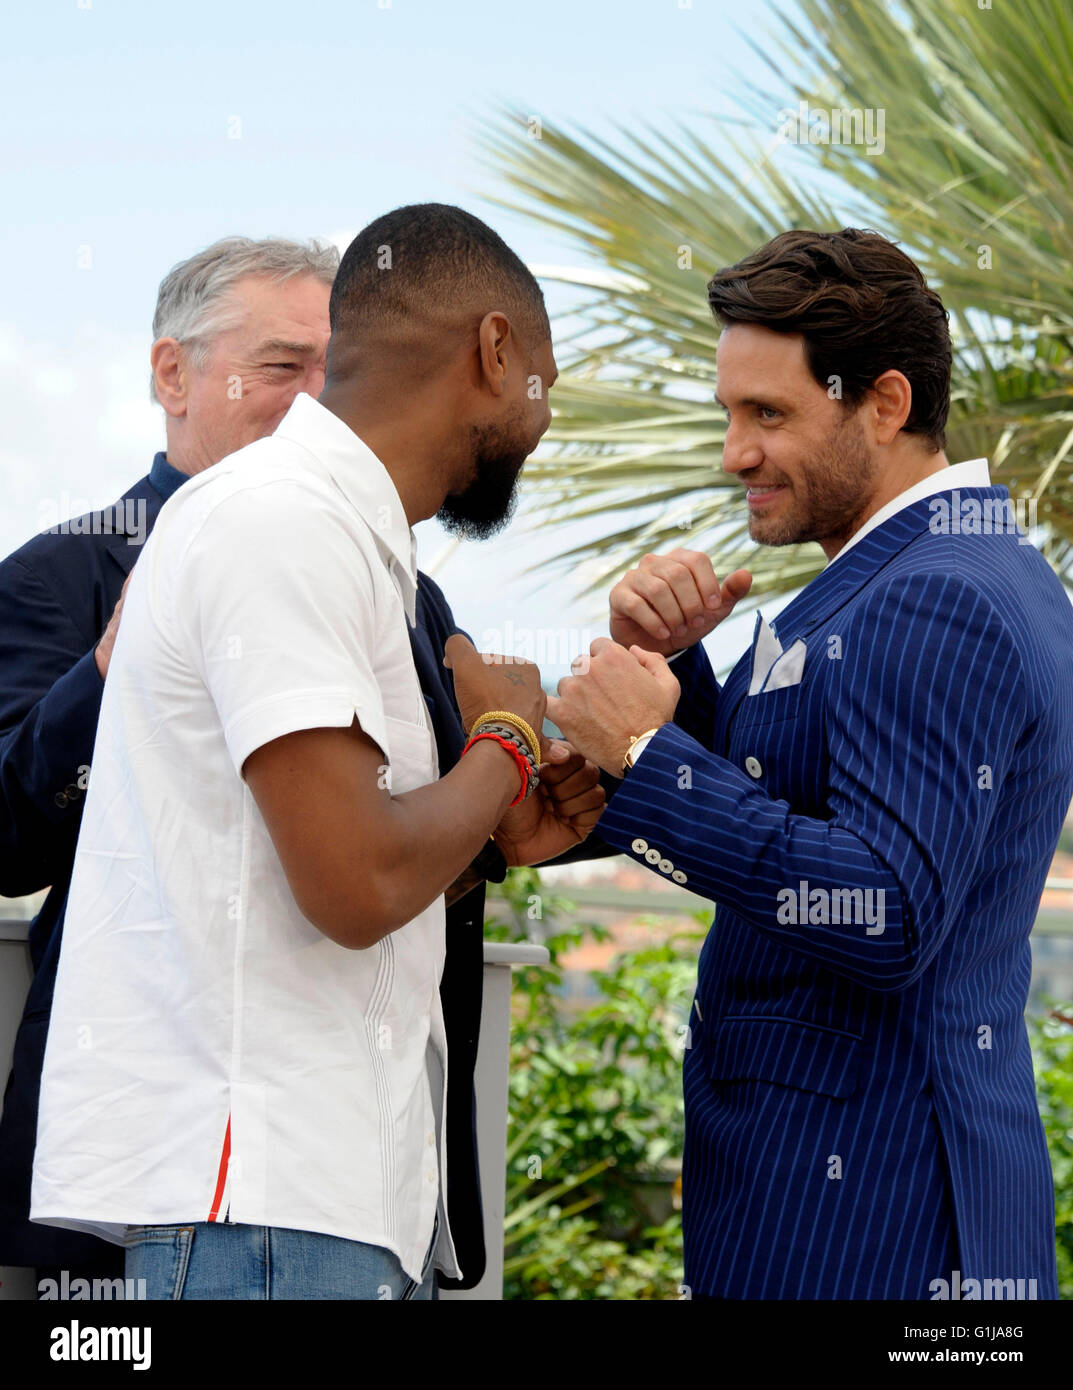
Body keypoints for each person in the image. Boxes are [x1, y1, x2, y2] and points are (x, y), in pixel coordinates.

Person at [4, 220, 601, 1297]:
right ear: (494, 350)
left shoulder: (354, 548)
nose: (541, 422)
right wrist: (507, 740)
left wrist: (496, 835)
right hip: (262, 1200)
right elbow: (353, 882)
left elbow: (291, 866)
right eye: (542, 388)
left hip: (322, 1194)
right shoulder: (279, 521)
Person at [549, 228, 1073, 1300]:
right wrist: (671, 669)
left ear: (882, 403)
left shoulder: (934, 594)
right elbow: (778, 795)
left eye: (768, 414)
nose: (733, 452)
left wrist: (644, 750)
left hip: (868, 1221)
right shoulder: (934, 572)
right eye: (727, 415)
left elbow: (883, 909)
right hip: (862, 1206)